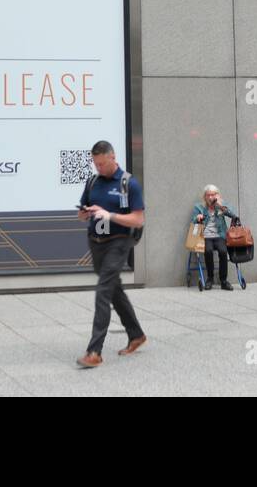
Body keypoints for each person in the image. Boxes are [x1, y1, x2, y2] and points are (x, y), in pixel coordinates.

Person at [76, 140, 146, 368]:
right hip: (96, 241)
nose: (99, 168)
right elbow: (82, 211)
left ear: (113, 158)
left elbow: (138, 219)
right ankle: (136, 334)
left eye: (102, 164)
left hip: (120, 240)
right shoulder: (93, 181)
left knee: (103, 291)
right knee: (113, 286)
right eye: (95, 164)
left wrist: (110, 215)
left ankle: (94, 351)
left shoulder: (129, 183)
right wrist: (86, 214)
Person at [192, 184, 237, 290]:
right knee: (208, 251)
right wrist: (198, 217)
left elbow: (233, 215)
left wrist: (221, 206)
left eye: (214, 194)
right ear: (205, 197)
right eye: (209, 195)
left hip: (219, 235)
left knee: (223, 251)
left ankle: (223, 281)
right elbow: (193, 221)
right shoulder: (199, 207)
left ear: (217, 195)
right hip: (206, 236)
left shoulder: (221, 205)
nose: (211, 197)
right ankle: (210, 279)